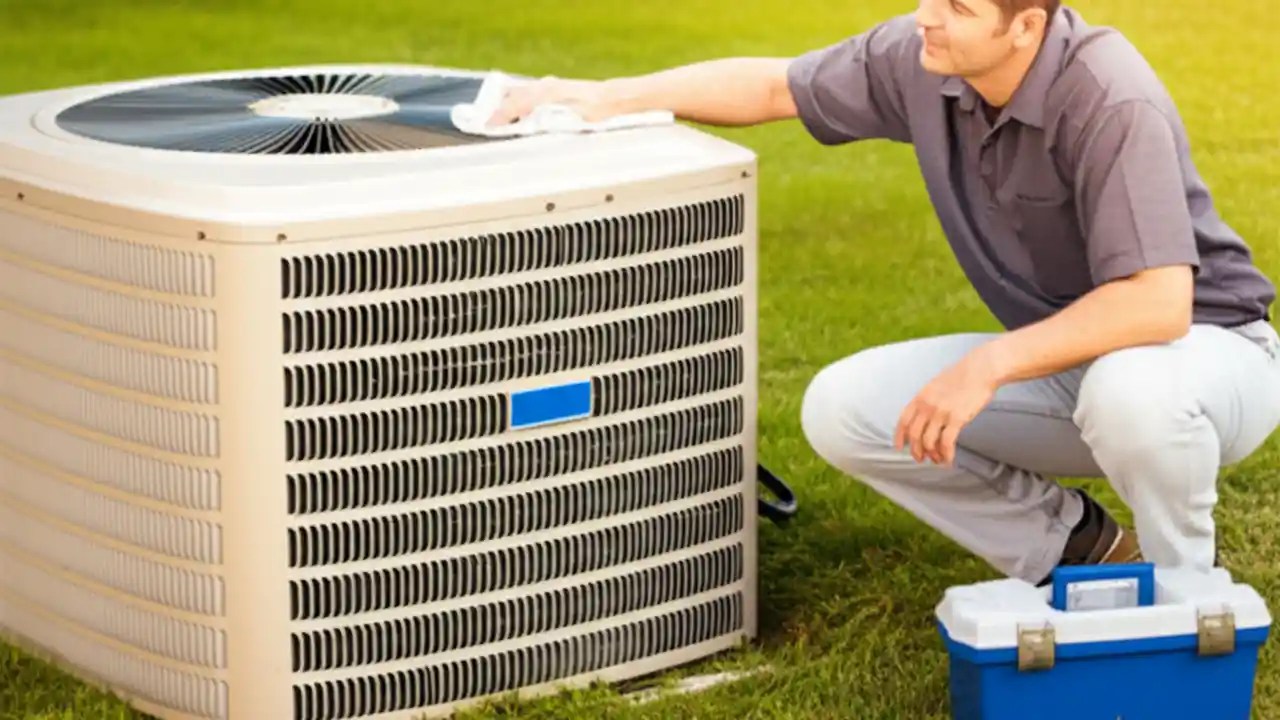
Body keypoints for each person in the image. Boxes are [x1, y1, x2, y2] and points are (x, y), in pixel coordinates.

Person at [486, 0, 1280, 585]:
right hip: (1078, 355)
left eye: (957, 8)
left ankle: (1188, 596)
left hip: (1206, 356)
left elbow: (1157, 303)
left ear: (1026, 27)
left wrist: (988, 365)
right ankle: (1081, 549)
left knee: (1129, 388)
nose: (926, 17)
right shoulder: (924, 57)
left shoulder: (1110, 94)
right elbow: (774, 88)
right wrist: (605, 95)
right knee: (847, 409)